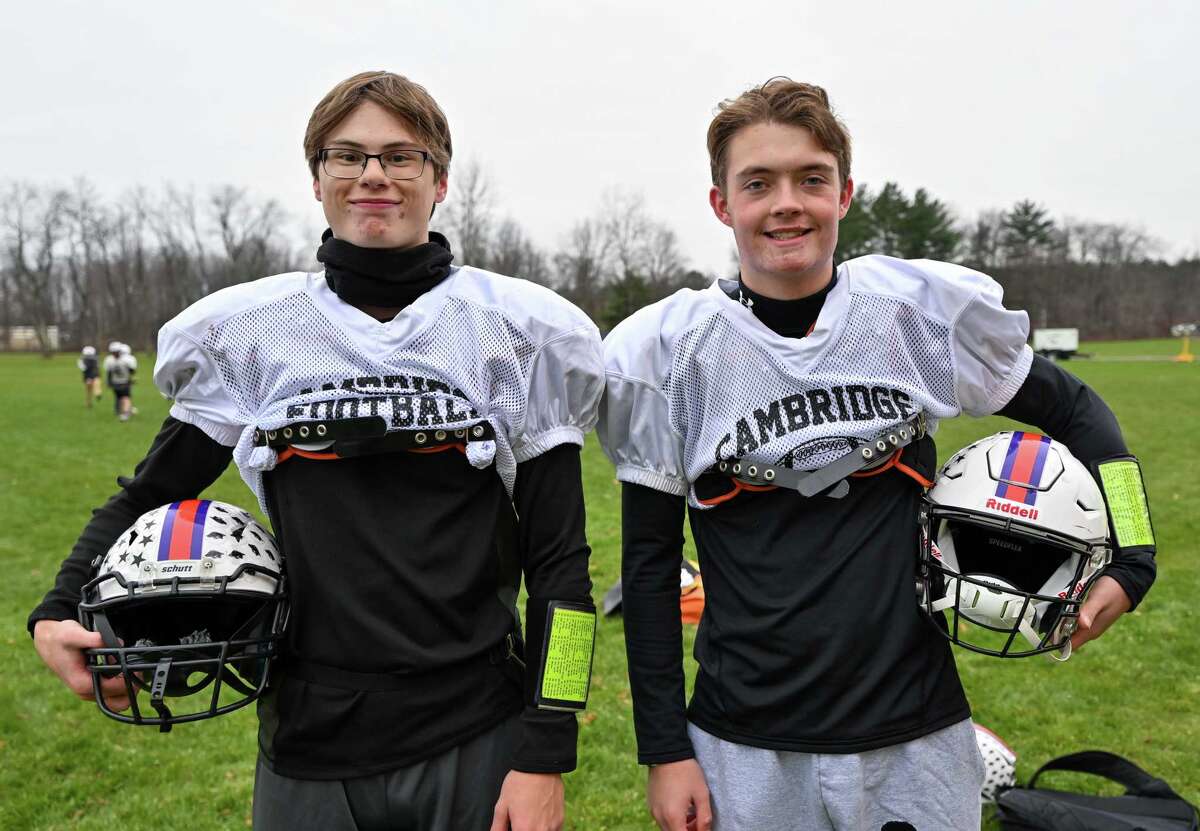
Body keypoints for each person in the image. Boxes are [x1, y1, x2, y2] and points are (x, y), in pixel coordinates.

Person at [29, 70, 603, 831]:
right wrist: (56, 607)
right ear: (317, 179)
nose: (374, 174)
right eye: (348, 155)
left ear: (439, 182)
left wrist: (547, 748)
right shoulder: (253, 334)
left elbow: (562, 572)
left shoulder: (519, 334)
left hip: (476, 729)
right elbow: (148, 495)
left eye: (401, 156)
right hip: (308, 731)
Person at [597, 78, 1156, 831]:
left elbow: (1080, 413)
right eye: (758, 183)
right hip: (744, 740)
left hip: (917, 730)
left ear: (845, 194)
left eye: (811, 179)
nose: (787, 203)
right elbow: (649, 569)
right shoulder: (671, 352)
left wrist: (1135, 556)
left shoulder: (909, 315)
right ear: (722, 204)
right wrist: (666, 750)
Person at [102, 340, 135, 420]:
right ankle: (126, 412)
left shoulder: (109, 360)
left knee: (122, 397)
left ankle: (124, 412)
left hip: (117, 382)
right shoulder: (126, 359)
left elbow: (109, 372)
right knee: (124, 397)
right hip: (122, 381)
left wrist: (109, 382)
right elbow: (132, 371)